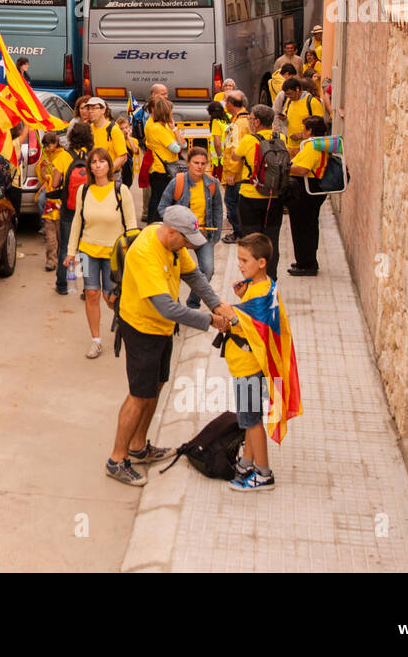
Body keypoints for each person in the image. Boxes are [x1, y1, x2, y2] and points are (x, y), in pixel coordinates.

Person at [105, 205, 234, 486]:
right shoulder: (145, 253)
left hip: (161, 330)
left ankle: (138, 447)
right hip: (141, 329)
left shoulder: (174, 246)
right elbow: (166, 307)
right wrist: (209, 319)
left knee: (156, 386)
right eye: (186, 240)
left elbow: (194, 276)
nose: (189, 246)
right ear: (172, 232)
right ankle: (117, 459)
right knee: (139, 395)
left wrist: (218, 304)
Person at [64, 147, 137, 360]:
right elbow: (77, 221)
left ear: (109, 165)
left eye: (102, 161)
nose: (98, 165)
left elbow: (131, 225)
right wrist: (71, 252)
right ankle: (96, 340)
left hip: (115, 253)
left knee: (111, 297)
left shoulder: (121, 190)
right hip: (87, 251)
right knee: (92, 294)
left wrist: (133, 252)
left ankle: (129, 330)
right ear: (90, 167)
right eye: (93, 162)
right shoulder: (83, 191)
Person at [223, 233, 283, 491]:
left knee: (252, 421)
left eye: (245, 260)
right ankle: (246, 462)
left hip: (248, 367)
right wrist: (243, 298)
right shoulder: (262, 286)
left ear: (261, 262)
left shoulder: (260, 294)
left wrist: (233, 315)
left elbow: (255, 328)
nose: (240, 264)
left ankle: (263, 473)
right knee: (250, 418)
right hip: (248, 366)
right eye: (239, 259)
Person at [157, 146, 223, 309]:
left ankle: (193, 303)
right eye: (196, 163)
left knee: (207, 270)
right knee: (173, 272)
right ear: (188, 163)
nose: (200, 166)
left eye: (203, 163)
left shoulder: (212, 184)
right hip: (180, 235)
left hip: (203, 234)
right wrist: (176, 223)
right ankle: (173, 304)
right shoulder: (177, 182)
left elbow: (217, 210)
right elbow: (162, 207)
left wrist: (216, 235)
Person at [235, 104, 285, 274]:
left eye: (250, 119)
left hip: (250, 196)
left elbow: (236, 156)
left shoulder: (249, 140)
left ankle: (253, 277)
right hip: (274, 197)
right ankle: (271, 278)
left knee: (251, 241)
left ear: (257, 122)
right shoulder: (281, 139)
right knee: (272, 239)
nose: (249, 122)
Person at [52, 121, 93, 295]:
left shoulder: (63, 156)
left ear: (70, 137)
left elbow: (55, 184)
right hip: (89, 208)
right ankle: (87, 288)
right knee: (86, 248)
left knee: (66, 247)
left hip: (69, 208)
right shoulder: (93, 156)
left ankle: (63, 285)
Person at [287, 114, 331, 276]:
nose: (302, 131)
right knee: (308, 227)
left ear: (310, 130)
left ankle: (306, 264)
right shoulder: (318, 144)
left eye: (304, 128)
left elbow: (302, 169)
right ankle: (306, 260)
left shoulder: (313, 146)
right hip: (312, 189)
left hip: (306, 190)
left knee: (302, 228)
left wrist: (283, 167)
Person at [139, 97, 184, 224]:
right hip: (161, 170)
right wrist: (177, 135)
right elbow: (177, 148)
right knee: (159, 201)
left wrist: (174, 130)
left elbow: (183, 145)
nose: (172, 113)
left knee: (159, 199)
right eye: (170, 111)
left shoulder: (164, 126)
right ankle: (153, 225)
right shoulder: (157, 128)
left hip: (165, 169)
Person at [220, 91, 251, 243]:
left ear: (231, 104)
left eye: (226, 101)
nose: (225, 104)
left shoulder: (238, 124)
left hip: (237, 173)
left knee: (232, 203)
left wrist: (231, 172)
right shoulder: (245, 120)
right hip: (243, 172)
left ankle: (239, 232)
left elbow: (235, 149)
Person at [279, 77, 326, 158]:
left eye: (290, 94)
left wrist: (302, 135)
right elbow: (287, 122)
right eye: (286, 95)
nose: (289, 96)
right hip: (291, 146)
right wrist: (284, 119)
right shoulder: (289, 101)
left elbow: (320, 126)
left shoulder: (312, 102)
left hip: (307, 147)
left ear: (297, 89)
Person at [37, 131, 63, 271]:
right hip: (50, 201)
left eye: (48, 146)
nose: (46, 149)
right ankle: (51, 260)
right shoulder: (46, 156)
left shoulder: (63, 156)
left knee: (60, 233)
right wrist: (44, 168)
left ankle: (61, 257)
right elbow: (44, 177)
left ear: (55, 143)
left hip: (61, 201)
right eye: (44, 146)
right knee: (50, 233)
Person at [86, 98, 128, 176]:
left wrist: (107, 171)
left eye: (94, 108)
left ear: (103, 110)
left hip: (111, 175)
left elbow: (122, 156)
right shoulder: (89, 128)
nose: (90, 111)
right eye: (88, 109)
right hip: (94, 174)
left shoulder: (114, 130)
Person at [116, 114, 140, 189]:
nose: (125, 130)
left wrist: (129, 138)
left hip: (128, 169)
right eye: (122, 129)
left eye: (126, 127)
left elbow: (135, 150)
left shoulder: (133, 140)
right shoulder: (116, 140)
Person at [207, 100, 228, 180]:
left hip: (220, 159)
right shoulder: (227, 118)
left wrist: (219, 156)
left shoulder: (216, 122)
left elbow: (217, 143)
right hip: (228, 155)